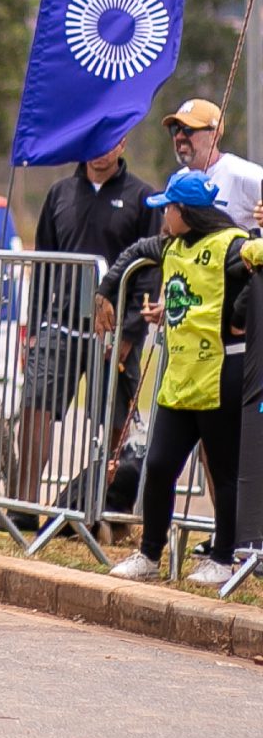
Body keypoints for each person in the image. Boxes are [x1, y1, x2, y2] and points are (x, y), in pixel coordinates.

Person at [99, 170, 249, 587]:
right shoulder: (170, 244)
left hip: (221, 372)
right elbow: (132, 254)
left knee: (224, 472)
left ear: (186, 211)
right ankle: (149, 553)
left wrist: (237, 317)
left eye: (168, 207)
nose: (163, 214)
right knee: (161, 464)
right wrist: (106, 290)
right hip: (179, 377)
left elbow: (255, 272)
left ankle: (222, 558)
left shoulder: (232, 245)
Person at [21, 140, 157, 509]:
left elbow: (147, 275)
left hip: (112, 336)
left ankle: (108, 505)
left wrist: (129, 333)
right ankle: (24, 508)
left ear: (124, 142)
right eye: (96, 139)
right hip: (59, 327)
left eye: (111, 139)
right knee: (35, 407)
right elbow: (44, 265)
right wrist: (32, 329)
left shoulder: (143, 197)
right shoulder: (59, 193)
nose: (102, 149)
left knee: (115, 420)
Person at [164, 98, 263, 230]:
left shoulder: (244, 174)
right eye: (175, 129)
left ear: (214, 135)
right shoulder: (178, 180)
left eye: (188, 129)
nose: (179, 136)